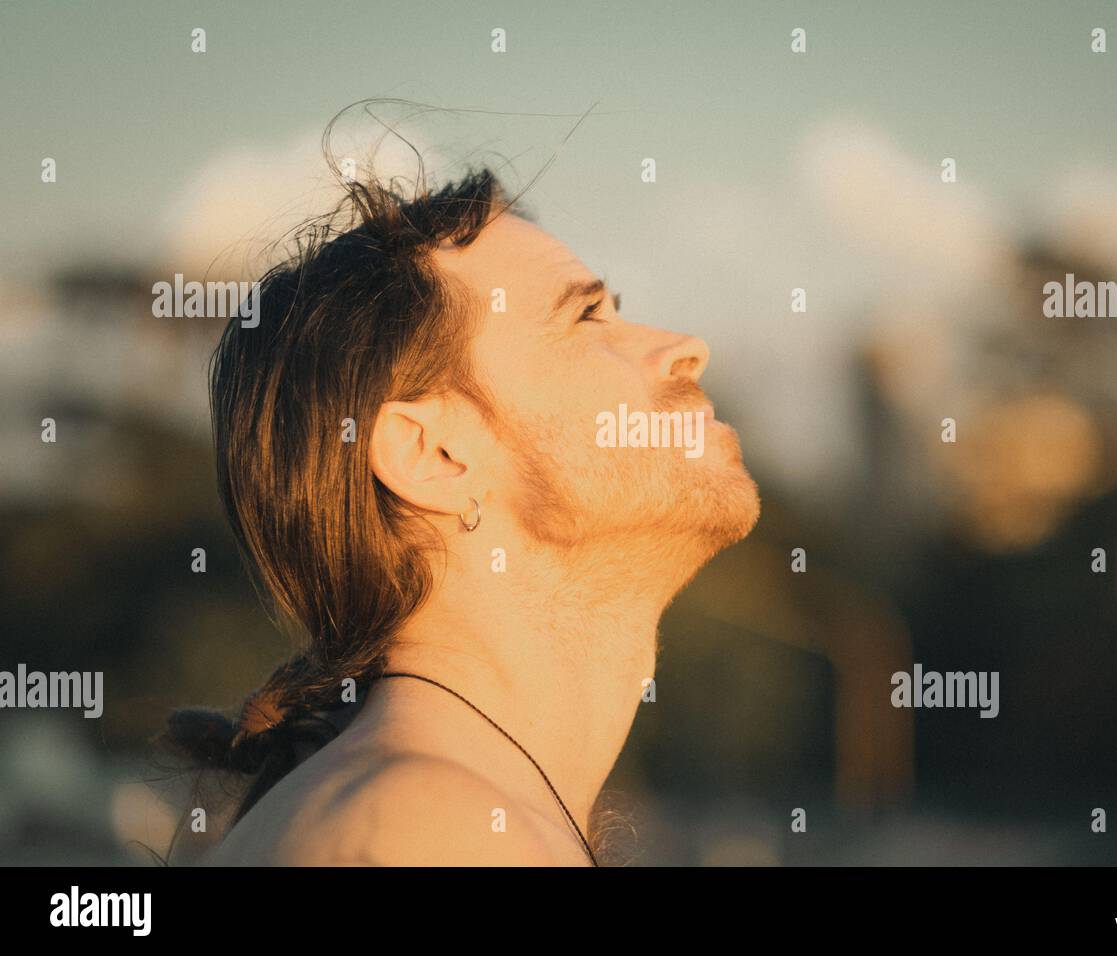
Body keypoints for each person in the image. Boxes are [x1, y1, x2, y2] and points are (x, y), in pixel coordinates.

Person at [163, 163, 761, 866]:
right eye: (586, 315)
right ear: (433, 454)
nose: (687, 347)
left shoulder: (436, 811)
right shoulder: (427, 829)